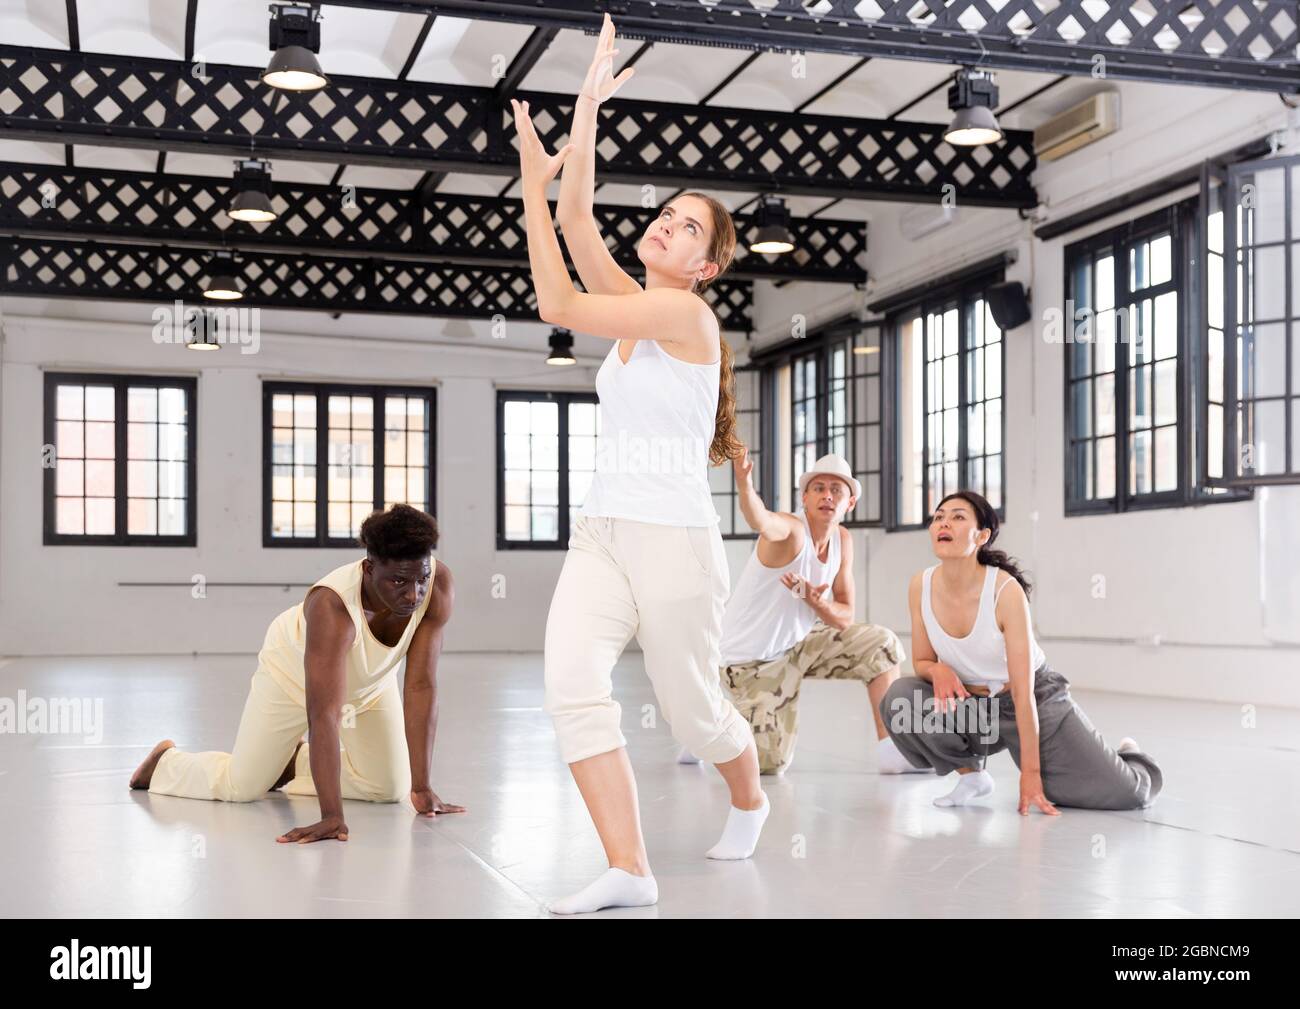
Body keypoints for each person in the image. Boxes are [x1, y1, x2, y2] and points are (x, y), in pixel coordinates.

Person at [511, 13, 767, 915]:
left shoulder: (688, 321)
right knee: (570, 681)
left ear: (704, 266)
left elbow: (554, 295)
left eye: (684, 226)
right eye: (664, 214)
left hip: (675, 543)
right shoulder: (639, 303)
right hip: (604, 532)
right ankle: (630, 865)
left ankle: (751, 795)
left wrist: (531, 197)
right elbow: (578, 218)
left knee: (694, 711)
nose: (664, 225)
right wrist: (583, 112)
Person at [129, 504, 463, 842]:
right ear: (368, 568)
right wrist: (331, 815)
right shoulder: (332, 607)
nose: (413, 594)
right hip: (290, 676)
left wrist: (421, 787)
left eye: (420, 579)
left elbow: (420, 685)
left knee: (389, 788)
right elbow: (324, 714)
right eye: (398, 581)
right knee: (241, 786)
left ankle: (291, 764)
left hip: (371, 683)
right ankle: (165, 765)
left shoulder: (437, 586)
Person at [881, 490, 1163, 812]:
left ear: (982, 536)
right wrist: (937, 670)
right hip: (974, 707)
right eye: (939, 516)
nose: (944, 523)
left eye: (958, 517)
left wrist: (1030, 776)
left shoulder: (1005, 591)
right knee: (900, 697)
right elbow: (921, 661)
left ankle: (1130, 757)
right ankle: (972, 776)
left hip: (1033, 701)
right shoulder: (921, 585)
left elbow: (1024, 693)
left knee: (1124, 795)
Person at [680, 450, 923, 776]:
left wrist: (816, 601)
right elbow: (761, 520)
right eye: (819, 488)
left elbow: (844, 617)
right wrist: (745, 486)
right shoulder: (792, 531)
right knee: (770, 764)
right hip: (749, 660)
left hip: (798, 644)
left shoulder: (842, 541)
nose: (827, 495)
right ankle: (705, 728)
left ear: (849, 504)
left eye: (837, 490)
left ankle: (891, 750)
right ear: (805, 498)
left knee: (882, 644)